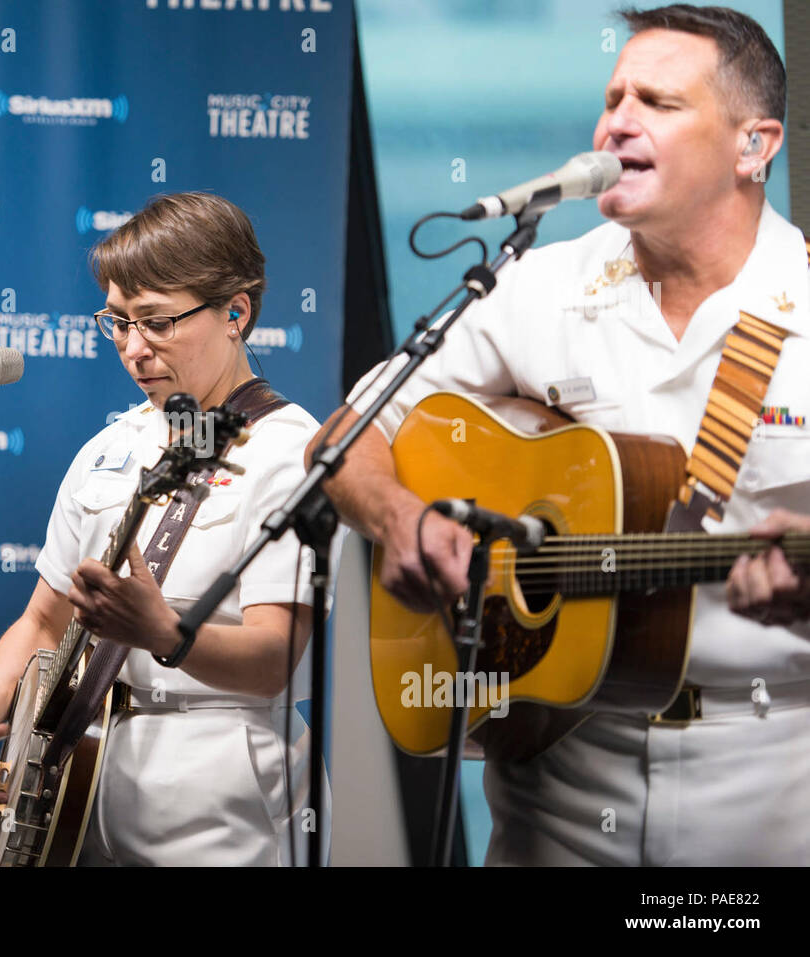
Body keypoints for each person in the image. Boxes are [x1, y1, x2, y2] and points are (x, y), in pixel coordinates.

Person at [308, 4, 810, 865]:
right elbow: (348, 430)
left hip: (769, 791)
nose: (616, 120)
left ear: (753, 146)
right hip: (553, 785)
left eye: (658, 100)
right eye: (613, 96)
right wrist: (399, 516)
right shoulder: (537, 283)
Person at [0, 192, 332, 866]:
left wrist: (163, 632)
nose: (132, 348)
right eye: (116, 323)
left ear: (236, 310)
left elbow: (273, 659)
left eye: (156, 322)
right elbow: (42, 619)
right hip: (82, 779)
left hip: (220, 783)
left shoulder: (290, 451)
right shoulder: (109, 447)